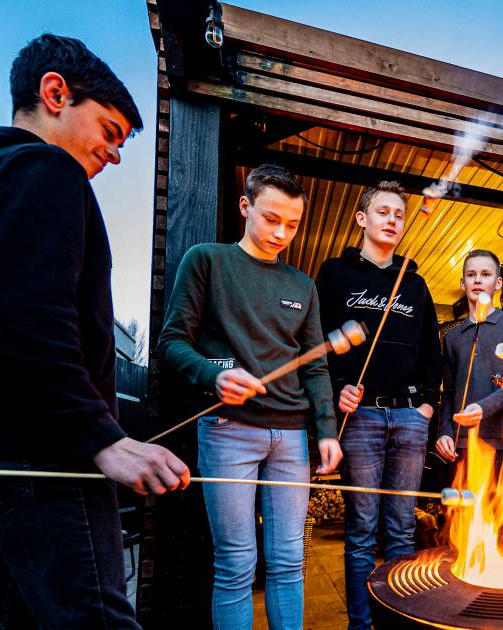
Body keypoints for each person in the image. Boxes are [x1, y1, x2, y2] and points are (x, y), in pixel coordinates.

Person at [0, 34, 189, 628]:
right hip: (44, 462)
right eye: (110, 131)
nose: (113, 156)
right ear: (56, 92)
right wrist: (100, 437)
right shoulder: (45, 170)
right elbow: (29, 319)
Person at [158, 164, 340, 628]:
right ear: (245, 206)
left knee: (288, 562)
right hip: (227, 432)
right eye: (271, 218)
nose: (282, 233)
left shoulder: (303, 285)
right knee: (236, 564)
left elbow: (316, 365)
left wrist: (325, 431)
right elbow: (172, 340)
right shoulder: (206, 260)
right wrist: (212, 376)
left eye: (293, 225)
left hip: (292, 440)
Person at [314, 181, 442, 630]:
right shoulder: (334, 274)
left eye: (400, 214)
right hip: (361, 416)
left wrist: (426, 404)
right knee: (362, 530)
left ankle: (400, 622)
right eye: (383, 211)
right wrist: (336, 388)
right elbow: (319, 343)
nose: (393, 220)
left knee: (402, 528)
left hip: (409, 417)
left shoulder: (416, 283)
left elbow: (431, 349)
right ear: (361, 219)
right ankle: (361, 624)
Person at [435, 250, 503, 473]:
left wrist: (482, 407)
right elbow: (448, 392)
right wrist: (445, 432)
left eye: (485, 274)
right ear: (463, 282)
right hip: (462, 444)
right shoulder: (451, 337)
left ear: (498, 283)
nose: (478, 280)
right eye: (471, 275)